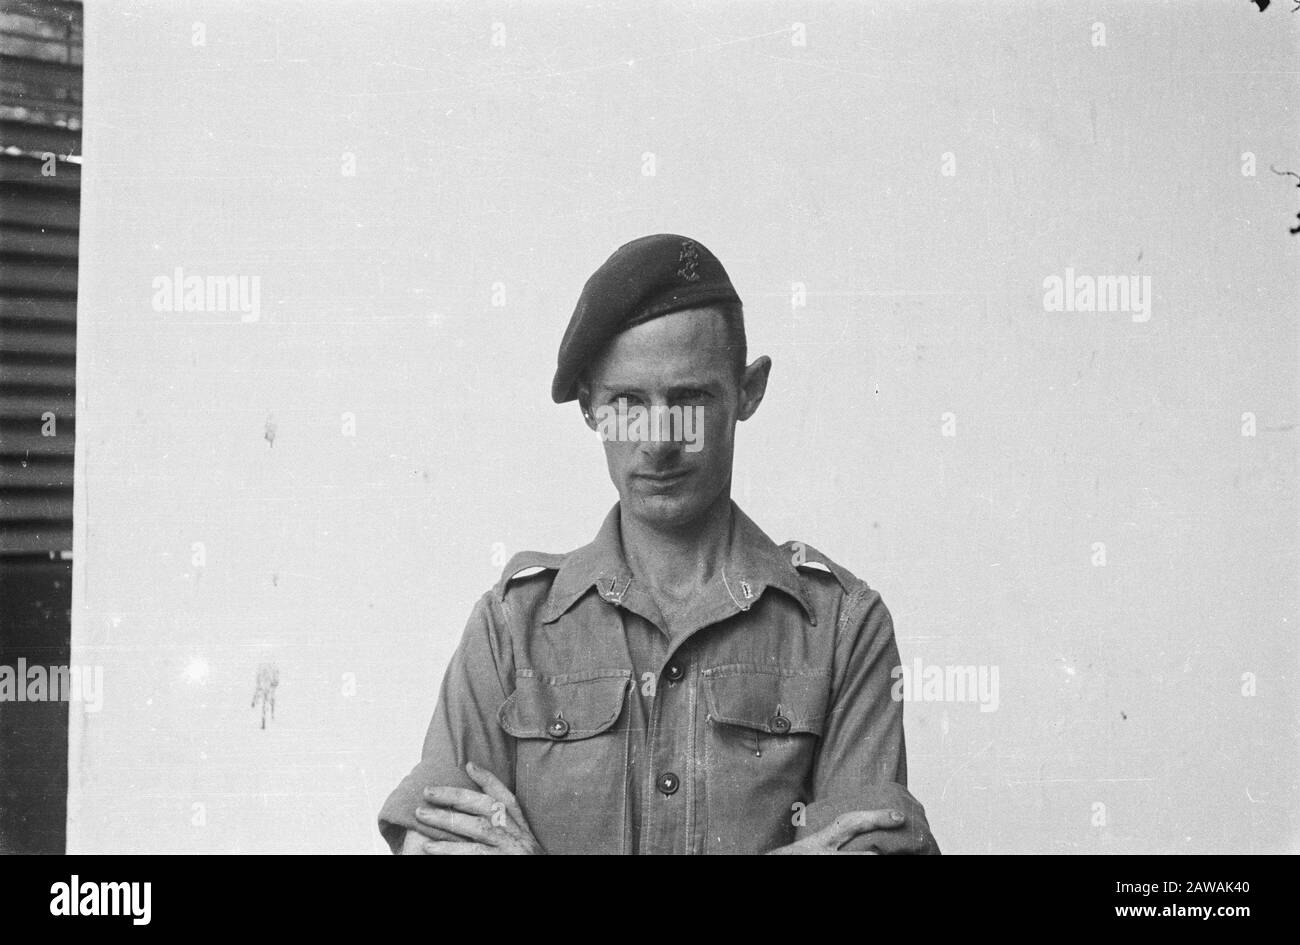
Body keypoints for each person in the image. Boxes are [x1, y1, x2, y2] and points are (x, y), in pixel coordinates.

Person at [378, 234, 939, 854]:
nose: (658, 439)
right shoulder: (512, 628)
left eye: (690, 400)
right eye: (627, 403)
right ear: (590, 409)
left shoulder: (840, 628)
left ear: (748, 392)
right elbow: (431, 842)